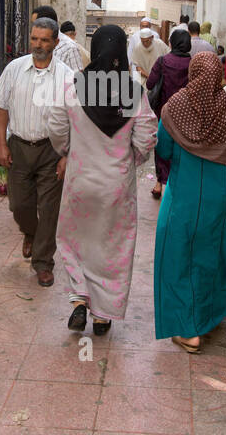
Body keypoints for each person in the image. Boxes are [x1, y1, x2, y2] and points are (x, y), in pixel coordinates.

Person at [46, 25, 158, 334]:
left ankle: (80, 298)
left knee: (74, 239)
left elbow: (55, 126)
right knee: (112, 246)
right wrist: (130, 160)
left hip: (79, 180)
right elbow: (147, 135)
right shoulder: (134, 91)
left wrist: (68, 151)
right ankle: (102, 315)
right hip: (116, 187)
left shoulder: (72, 86)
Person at [153, 52, 226, 353]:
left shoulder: (175, 106)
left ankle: (190, 330)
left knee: (180, 257)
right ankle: (213, 313)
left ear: (192, 73)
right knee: (221, 251)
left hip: (184, 199)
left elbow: (163, 149)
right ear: (218, 75)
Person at [0, 18, 74, 287]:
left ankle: (43, 263)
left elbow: (75, 118)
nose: (38, 45)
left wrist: (66, 155)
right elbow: (2, 107)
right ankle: (29, 231)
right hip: (18, 147)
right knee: (19, 205)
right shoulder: (15, 69)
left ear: (55, 42)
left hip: (51, 149)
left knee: (49, 210)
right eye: (34, 39)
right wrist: (1, 144)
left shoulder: (66, 75)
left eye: (44, 40)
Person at [144, 27, 192, 198]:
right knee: (183, 146)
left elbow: (150, 84)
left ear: (172, 43)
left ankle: (159, 183)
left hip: (164, 112)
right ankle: (177, 182)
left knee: (162, 146)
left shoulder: (163, 61)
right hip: (187, 113)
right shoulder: (193, 63)